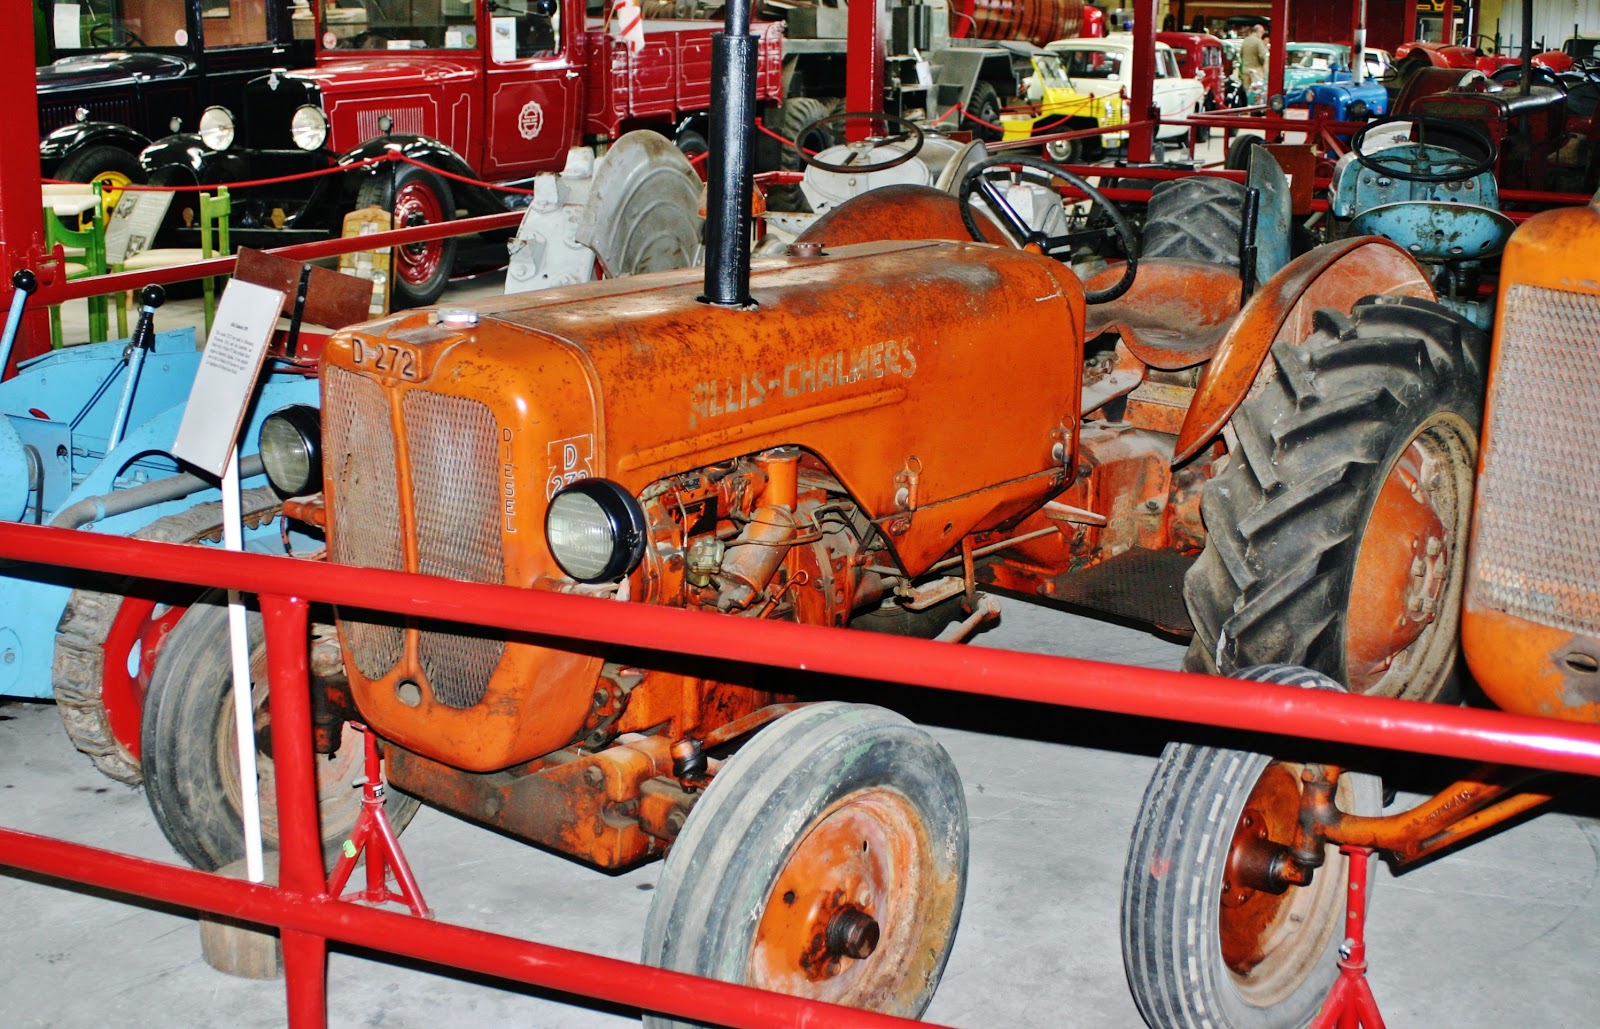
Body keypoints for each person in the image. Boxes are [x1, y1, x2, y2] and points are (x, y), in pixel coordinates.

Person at [1239, 23, 1269, 95]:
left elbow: (1241, 54)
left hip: (1245, 68)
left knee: (1246, 90)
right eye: (1262, 32)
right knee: (1257, 91)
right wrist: (1262, 65)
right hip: (1256, 69)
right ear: (1258, 31)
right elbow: (1262, 56)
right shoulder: (1258, 41)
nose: (1262, 34)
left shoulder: (1246, 40)